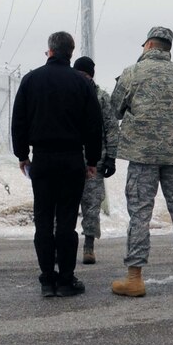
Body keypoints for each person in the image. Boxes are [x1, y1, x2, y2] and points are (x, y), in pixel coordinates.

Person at [110, 26, 173, 297]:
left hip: (143, 156)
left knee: (140, 215)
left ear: (149, 45)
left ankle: (135, 278)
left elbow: (115, 110)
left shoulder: (132, 72)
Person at [11, 32, 103, 297]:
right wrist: (93, 160)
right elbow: (93, 125)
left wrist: (22, 155)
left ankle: (46, 280)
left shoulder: (31, 80)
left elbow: (19, 121)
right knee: (66, 221)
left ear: (49, 51)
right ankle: (65, 280)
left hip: (42, 159)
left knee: (42, 220)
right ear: (71, 53)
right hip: (72, 159)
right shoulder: (81, 82)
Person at [72, 56, 119, 265]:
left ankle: (89, 246)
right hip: (69, 159)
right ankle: (60, 245)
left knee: (91, 206)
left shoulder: (101, 97)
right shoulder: (68, 92)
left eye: (86, 74)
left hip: (95, 162)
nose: (83, 77)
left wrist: (111, 157)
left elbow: (111, 127)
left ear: (91, 75)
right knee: (65, 206)